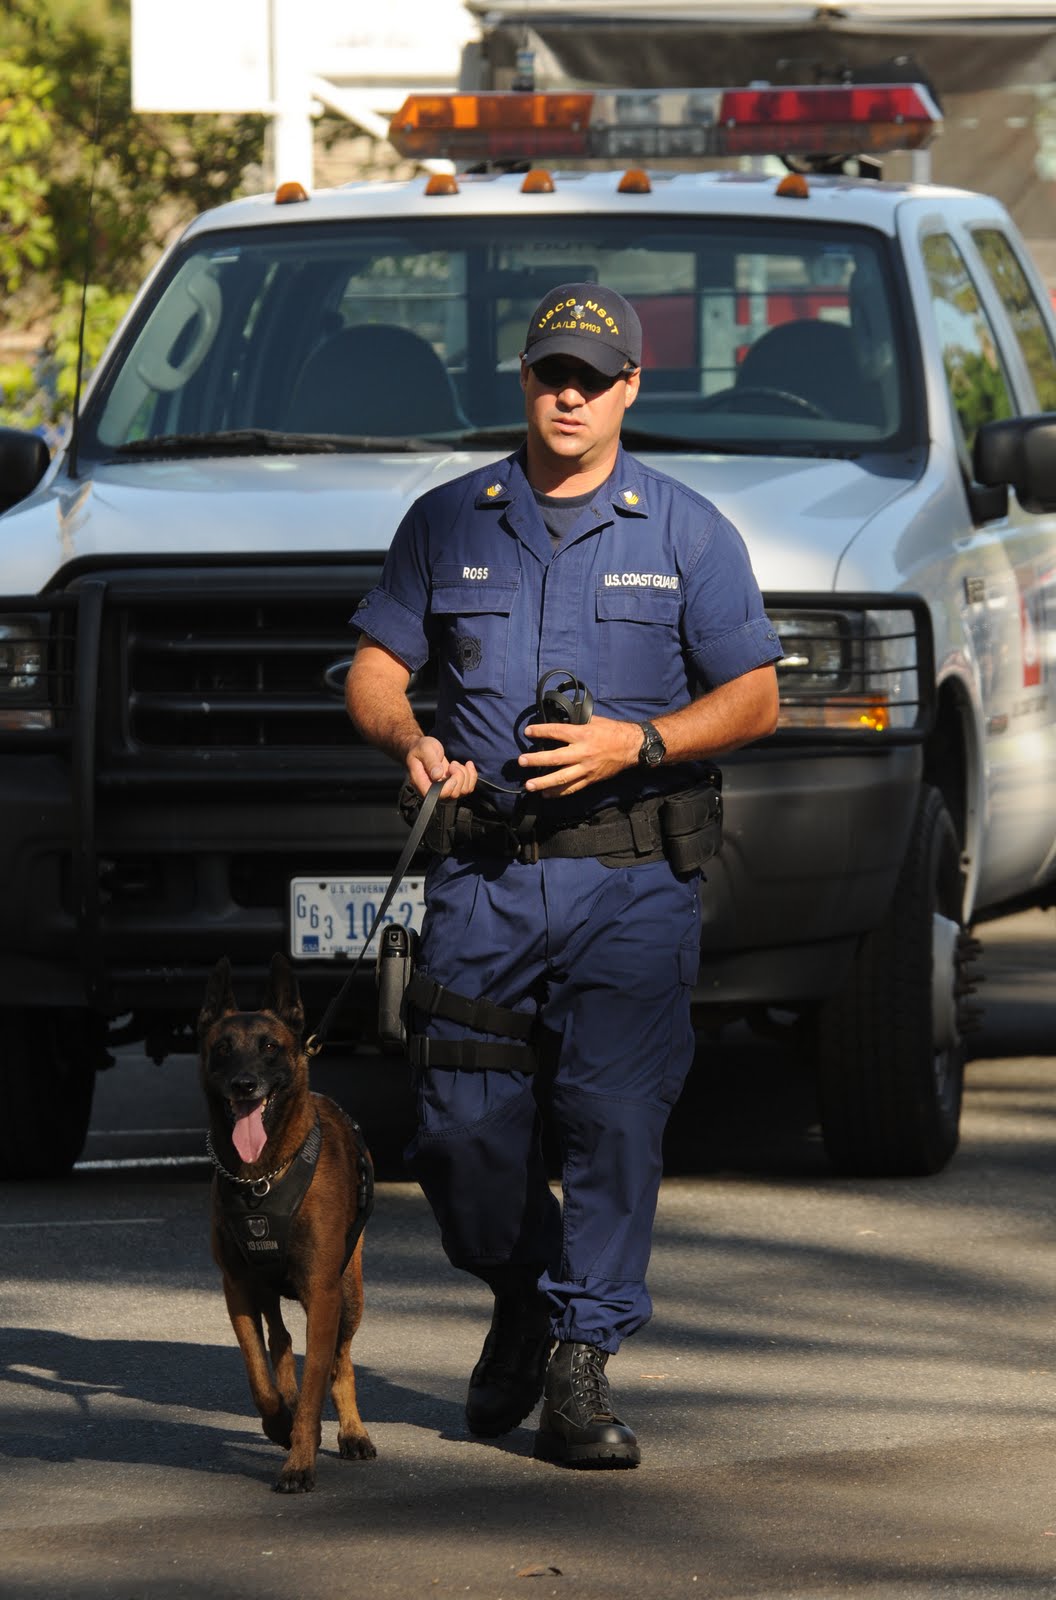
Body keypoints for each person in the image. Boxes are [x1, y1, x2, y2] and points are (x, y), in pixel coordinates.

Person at [345, 282, 782, 1469]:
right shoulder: (450, 519)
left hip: (631, 885)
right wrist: (411, 740)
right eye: (552, 373)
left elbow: (757, 696)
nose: (570, 394)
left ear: (633, 387)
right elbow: (376, 667)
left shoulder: (687, 529)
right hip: (482, 883)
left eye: (594, 376)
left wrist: (637, 742)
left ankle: (582, 1362)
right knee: (458, 1138)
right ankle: (525, 1295)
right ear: (525, 382)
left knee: (611, 1123)